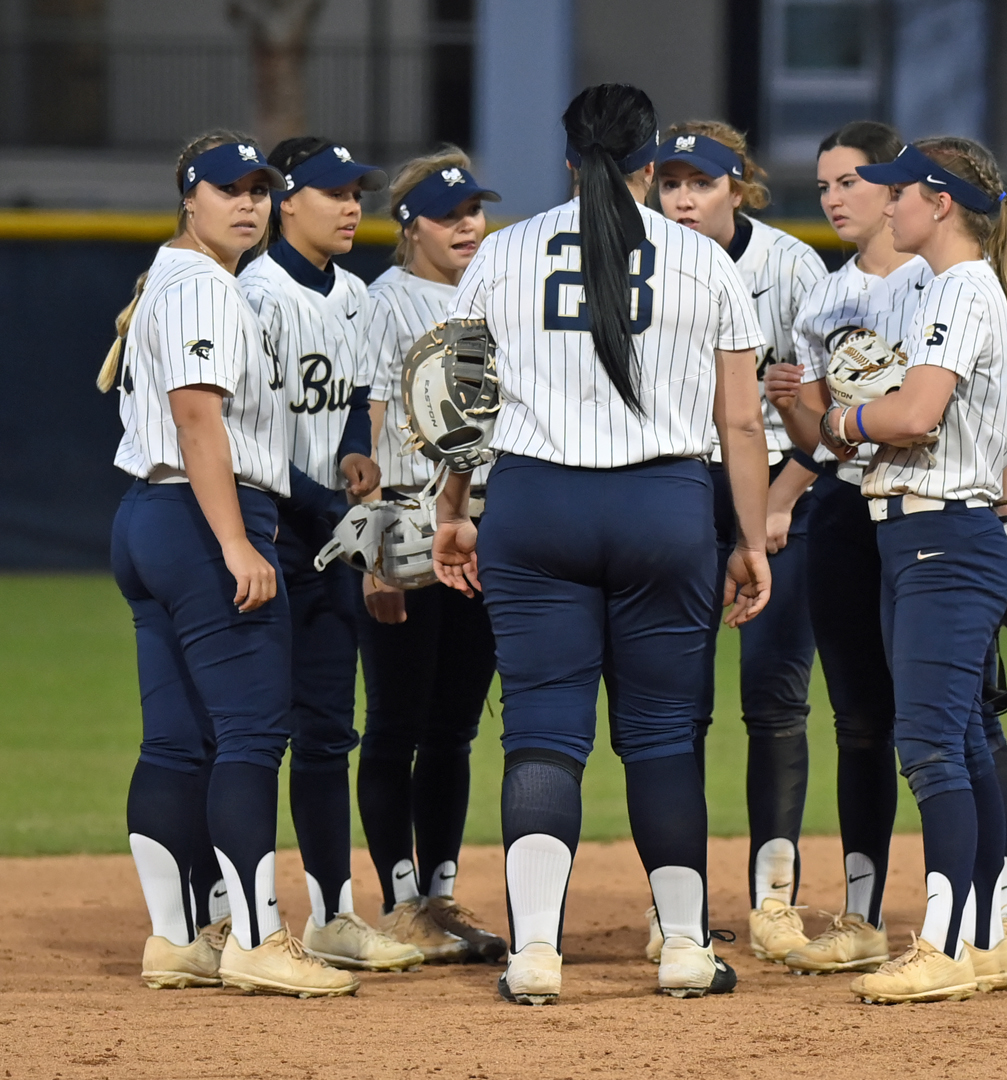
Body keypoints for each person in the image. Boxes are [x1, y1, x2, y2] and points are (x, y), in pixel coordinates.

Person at [430, 83, 774, 1005]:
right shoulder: (704, 263)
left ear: (568, 160)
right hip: (663, 509)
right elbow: (742, 424)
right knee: (662, 738)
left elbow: (462, 404)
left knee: (542, 733)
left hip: (535, 507)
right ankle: (684, 951)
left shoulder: (501, 254)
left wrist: (453, 511)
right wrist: (750, 538)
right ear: (651, 166)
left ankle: (536, 954)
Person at [767, 125, 1007, 985]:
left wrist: (845, 419)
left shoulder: (961, 290)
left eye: (900, 190)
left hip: (941, 537)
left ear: (940, 202)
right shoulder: (952, 287)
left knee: (928, 743)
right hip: (923, 532)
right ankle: (989, 940)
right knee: (957, 738)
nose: (887, 201)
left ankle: (947, 946)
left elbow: (914, 414)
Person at [105, 130, 356, 997]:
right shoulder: (209, 288)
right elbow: (199, 421)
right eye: (228, 188)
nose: (247, 203)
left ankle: (176, 938)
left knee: (176, 743)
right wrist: (237, 541)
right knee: (252, 734)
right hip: (201, 515)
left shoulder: (166, 277)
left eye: (259, 188)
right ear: (189, 195)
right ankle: (254, 937)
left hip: (145, 517)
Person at [238, 137, 423, 973]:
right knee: (248, 734)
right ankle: (228, 915)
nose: (351, 207)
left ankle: (333, 915)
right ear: (286, 202)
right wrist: (332, 508)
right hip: (264, 534)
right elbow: (246, 439)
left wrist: (358, 456)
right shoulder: (254, 293)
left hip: (326, 540)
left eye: (357, 192)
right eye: (332, 192)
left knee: (324, 733)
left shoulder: (355, 295)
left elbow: (355, 399)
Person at [651, 120, 828, 965]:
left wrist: (782, 499)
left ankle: (773, 898)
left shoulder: (793, 267)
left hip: (776, 488)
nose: (683, 197)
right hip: (678, 483)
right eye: (671, 180)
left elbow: (825, 410)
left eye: (703, 181)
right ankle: (673, 902)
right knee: (674, 701)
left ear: (739, 187)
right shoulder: (640, 257)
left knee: (775, 695)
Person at [763, 121, 930, 976]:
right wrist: (792, 404)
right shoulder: (823, 298)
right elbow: (822, 440)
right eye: (823, 184)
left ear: (895, 185)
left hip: (931, 513)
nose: (832, 197)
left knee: (951, 725)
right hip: (843, 513)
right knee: (859, 722)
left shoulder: (942, 282)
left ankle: (979, 910)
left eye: (850, 181)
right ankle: (862, 919)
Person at [355, 147, 508, 963]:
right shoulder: (386, 303)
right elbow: (370, 425)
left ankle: (440, 897)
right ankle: (398, 899)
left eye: (475, 212)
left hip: (482, 533)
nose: (469, 226)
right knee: (395, 724)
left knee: (452, 729)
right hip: (408, 528)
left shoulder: (496, 294)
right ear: (410, 226)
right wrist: (376, 548)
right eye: (451, 215)